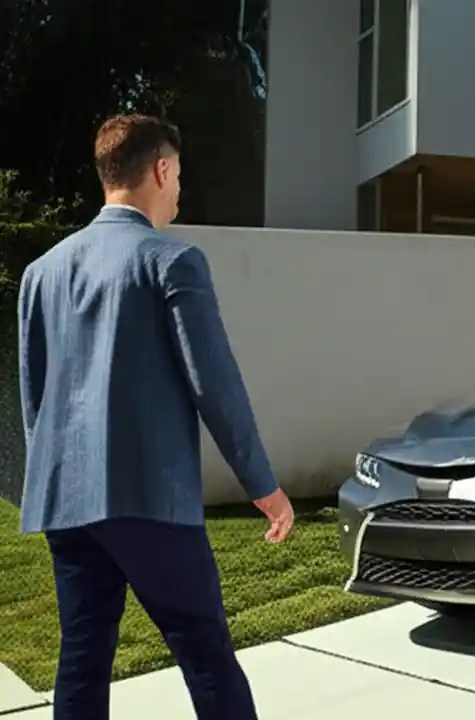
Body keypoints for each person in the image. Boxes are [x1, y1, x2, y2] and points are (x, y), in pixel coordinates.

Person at [16, 113, 293, 719]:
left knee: (82, 661)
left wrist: (52, 484)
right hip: (147, 500)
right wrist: (263, 485)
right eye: (177, 176)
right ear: (161, 169)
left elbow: (34, 396)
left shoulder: (40, 275)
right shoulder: (171, 261)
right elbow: (214, 383)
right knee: (206, 651)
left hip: (67, 505)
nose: (177, 192)